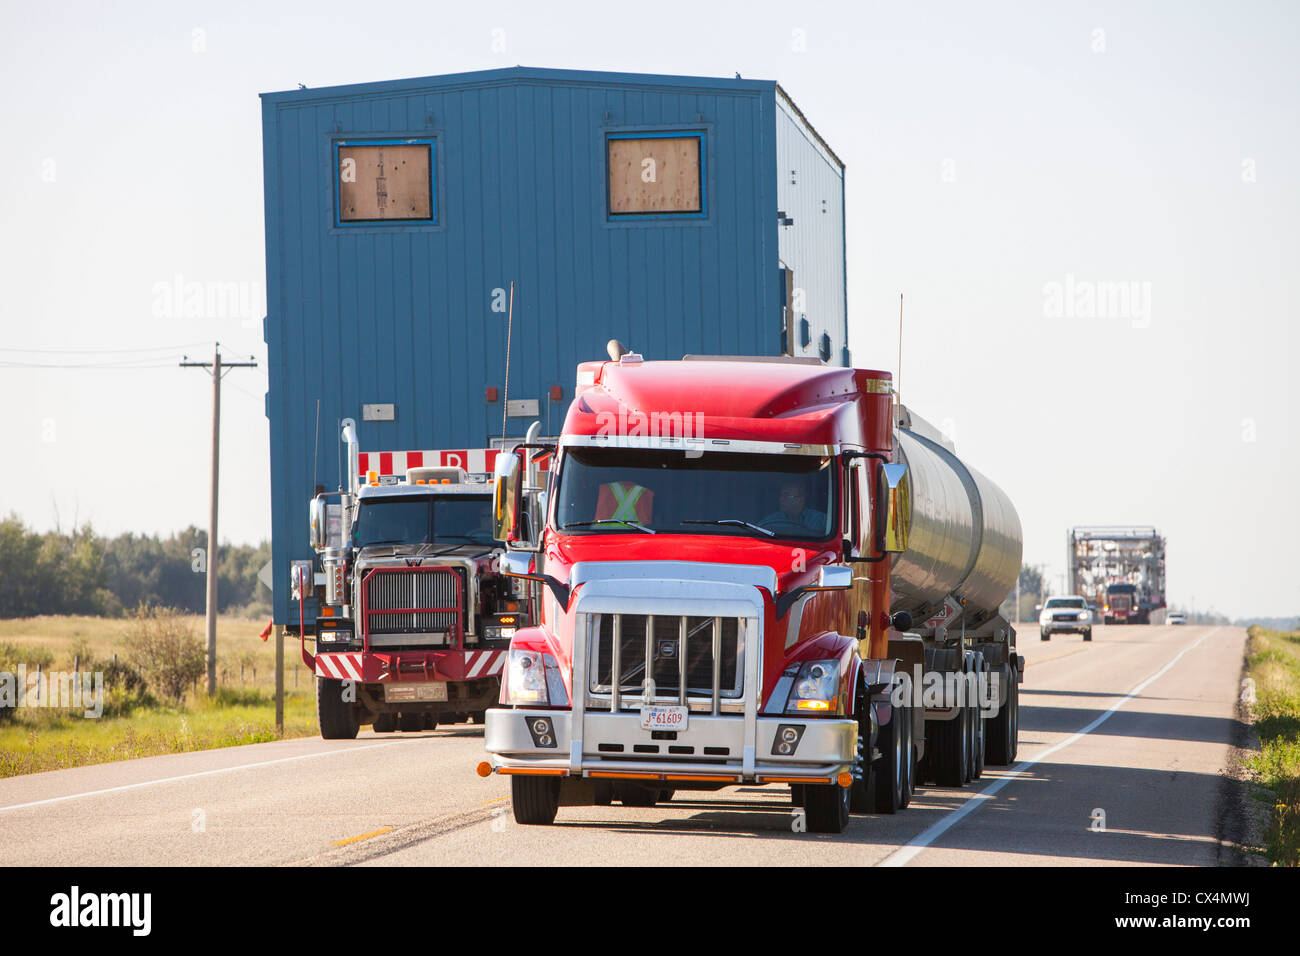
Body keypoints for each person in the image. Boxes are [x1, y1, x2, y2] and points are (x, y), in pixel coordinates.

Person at [759, 479, 826, 534]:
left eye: (786, 495)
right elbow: (756, 530)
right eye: (781, 495)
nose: (781, 499)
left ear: (801, 499)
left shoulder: (820, 520)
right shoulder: (772, 520)